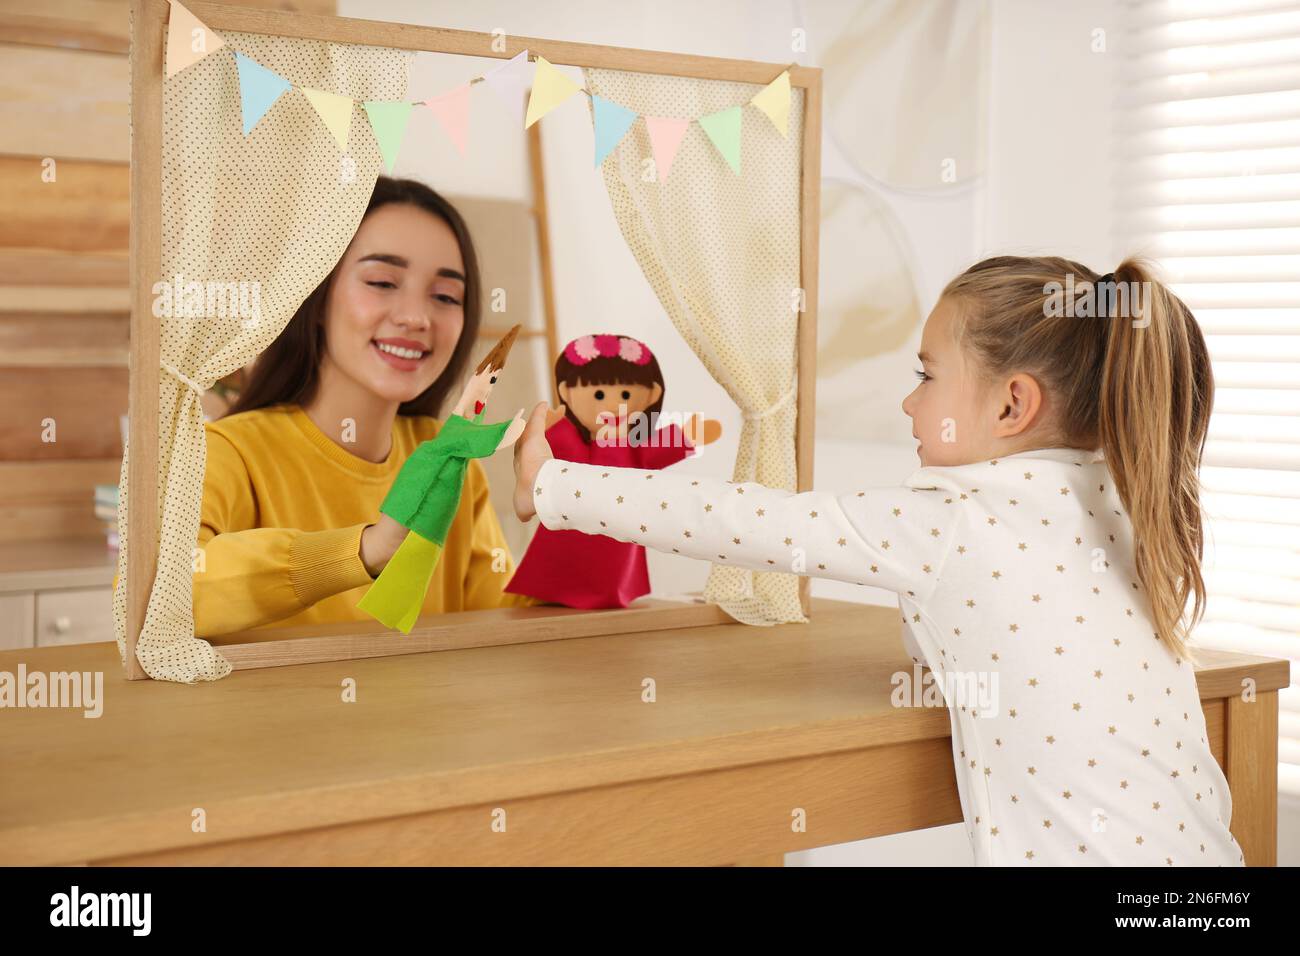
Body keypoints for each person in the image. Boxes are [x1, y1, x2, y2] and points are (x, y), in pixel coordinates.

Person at [511, 255, 1244, 866]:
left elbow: (742, 521)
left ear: (1011, 406)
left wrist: (551, 483)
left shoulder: (953, 521)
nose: (907, 403)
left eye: (926, 377)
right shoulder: (1127, 502)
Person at [194, 176, 539, 638]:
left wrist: (582, 495)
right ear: (316, 295)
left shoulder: (449, 459)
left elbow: (504, 619)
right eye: (382, 282)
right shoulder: (226, 453)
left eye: (444, 296)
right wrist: (362, 550)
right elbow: (167, 594)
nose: (416, 318)